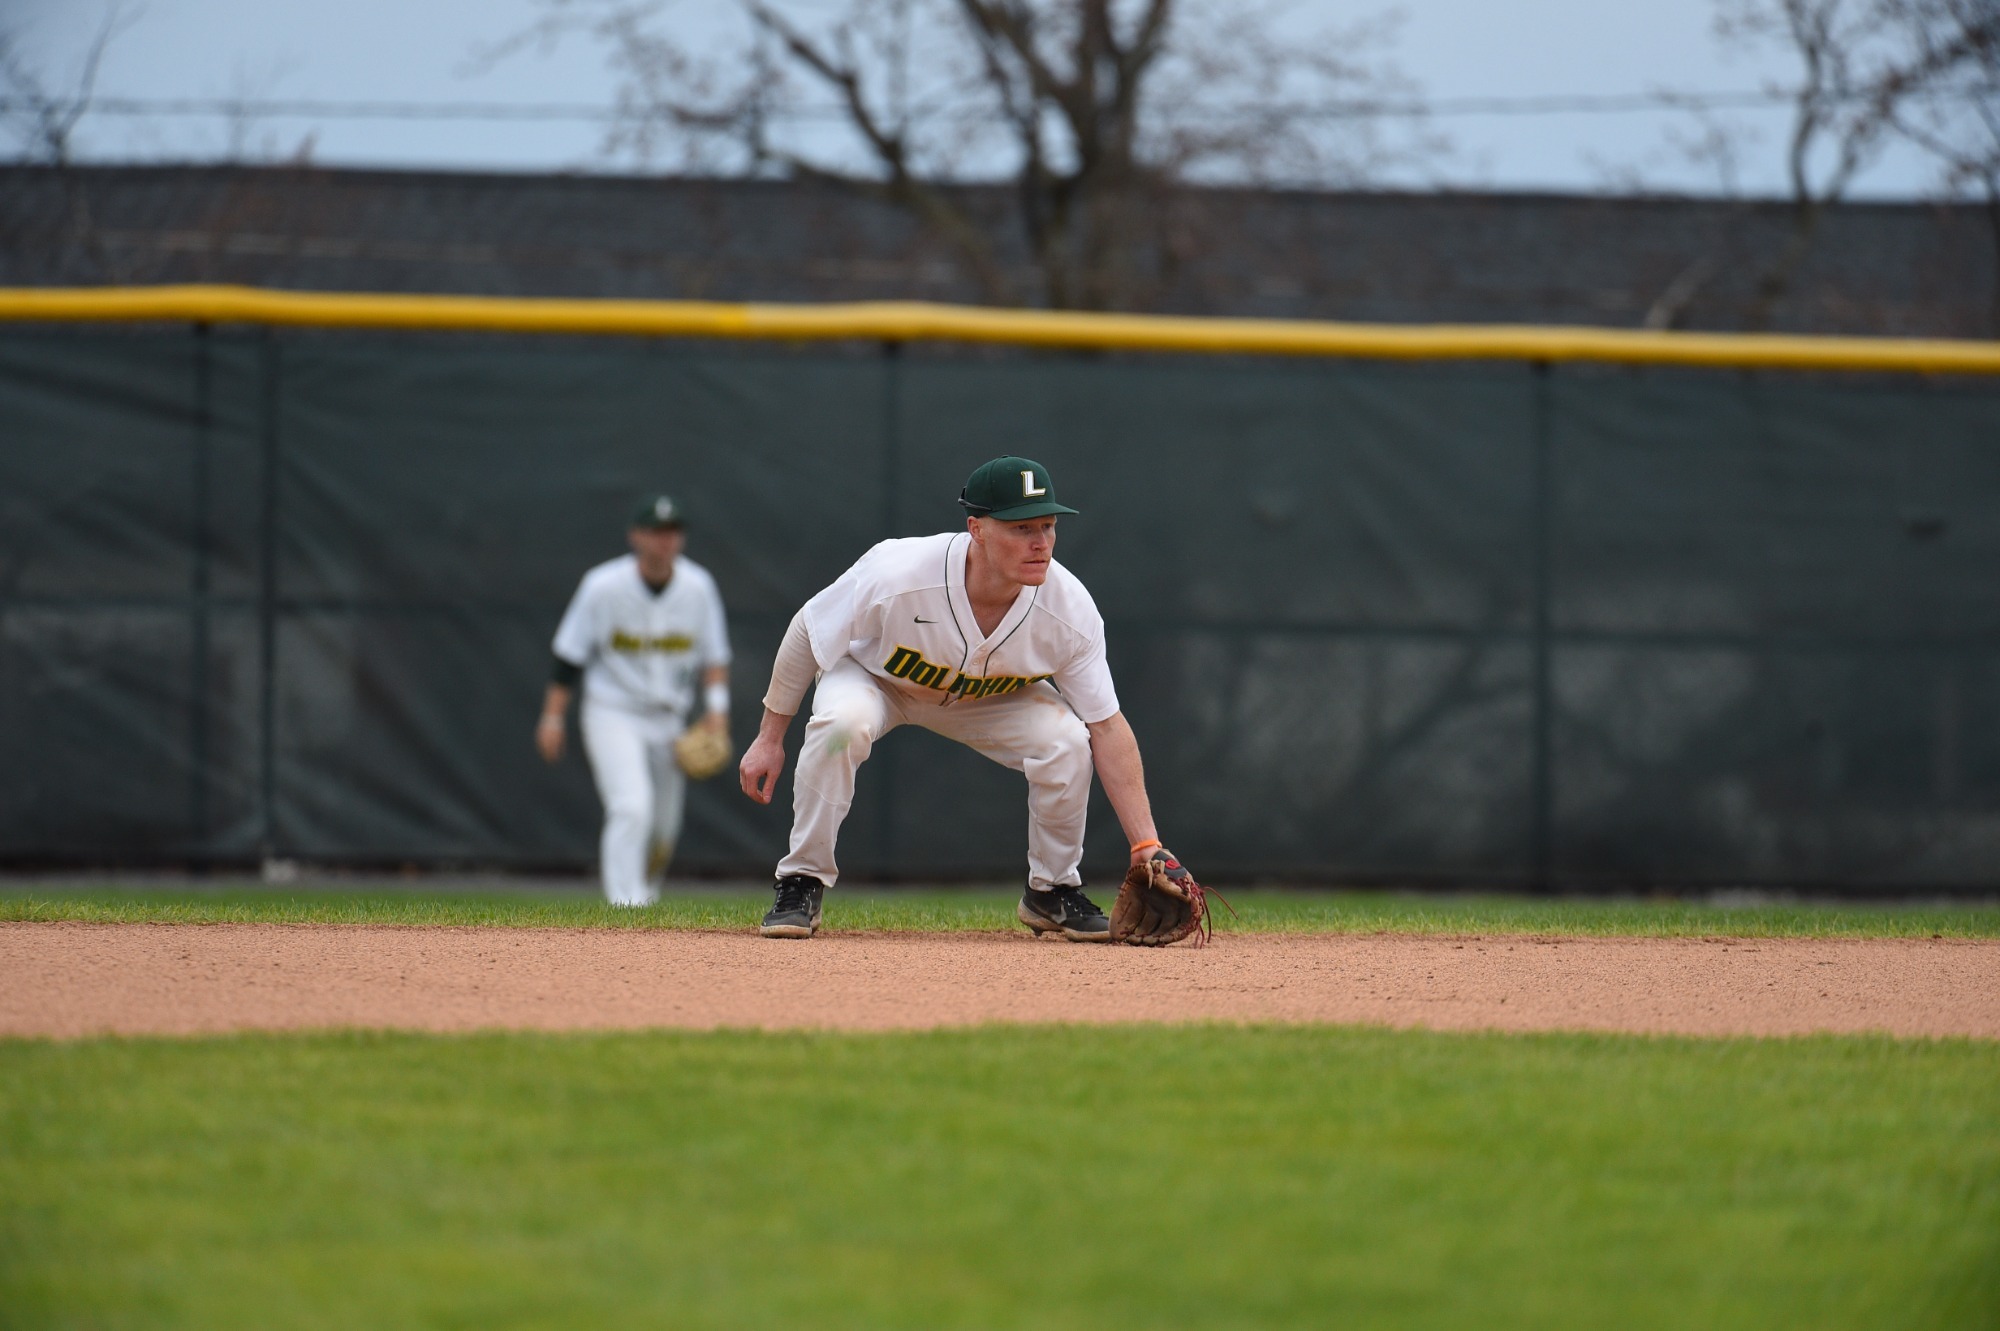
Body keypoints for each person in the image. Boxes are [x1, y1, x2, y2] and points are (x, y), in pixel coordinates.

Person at [739, 455, 1178, 940]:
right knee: (841, 727)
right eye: (1020, 526)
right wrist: (769, 738)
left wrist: (1146, 843)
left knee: (1069, 741)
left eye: (1049, 526)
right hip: (876, 679)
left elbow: (1107, 726)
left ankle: (1051, 891)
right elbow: (808, 630)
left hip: (984, 700)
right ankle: (802, 878)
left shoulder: (1068, 609)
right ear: (977, 529)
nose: (1040, 542)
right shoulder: (898, 572)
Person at [539, 493, 731, 906]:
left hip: (668, 718)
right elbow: (568, 656)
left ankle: (645, 897)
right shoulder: (602, 586)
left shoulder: (698, 587)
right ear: (635, 536)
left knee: (663, 828)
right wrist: (552, 718)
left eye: (673, 532)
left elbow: (714, 658)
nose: (665, 540)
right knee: (631, 807)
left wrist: (717, 711)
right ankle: (623, 904)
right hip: (613, 711)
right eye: (656, 531)